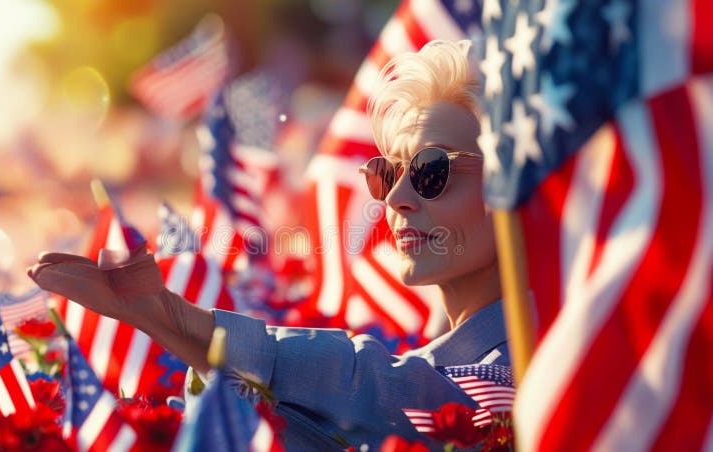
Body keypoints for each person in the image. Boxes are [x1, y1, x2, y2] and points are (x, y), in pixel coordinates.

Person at [28, 40, 507, 449]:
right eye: (387, 173)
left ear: (515, 187)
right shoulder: (451, 351)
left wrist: (177, 318)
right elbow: (332, 427)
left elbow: (408, 395)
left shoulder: (533, 355)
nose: (397, 198)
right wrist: (162, 319)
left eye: (430, 169)